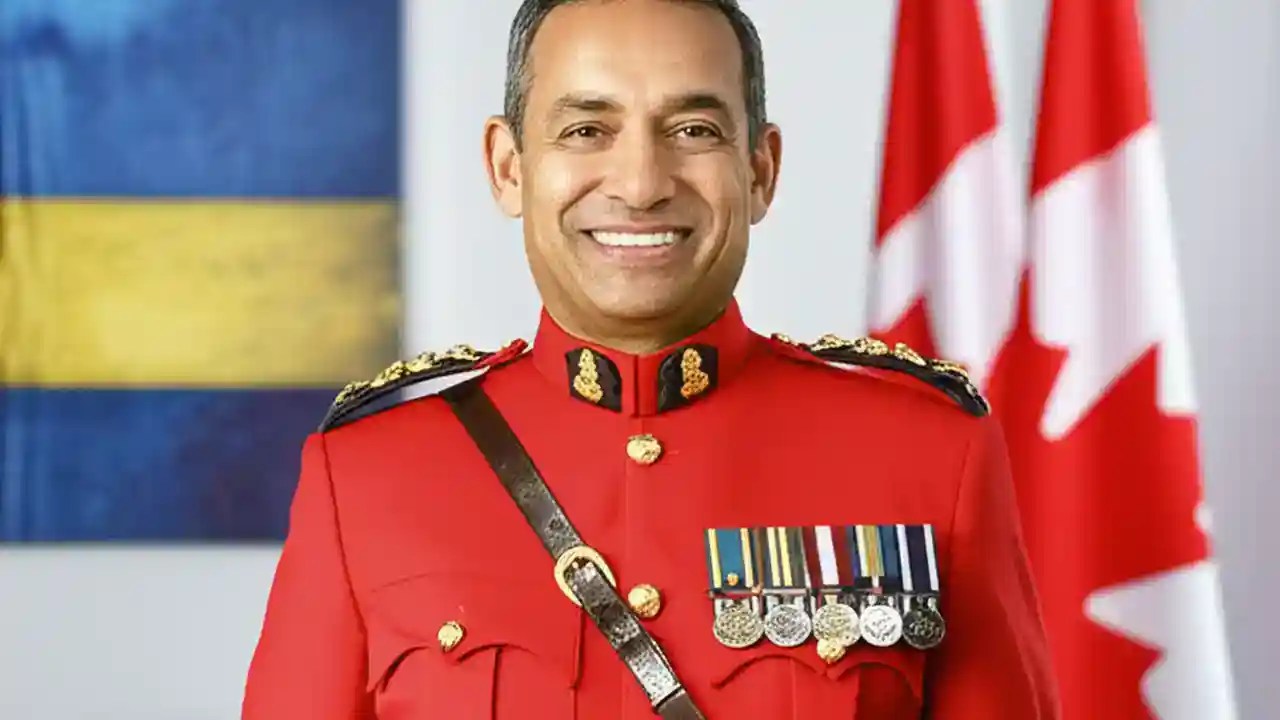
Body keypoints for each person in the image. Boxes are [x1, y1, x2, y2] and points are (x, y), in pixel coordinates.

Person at [241, 0, 1060, 717]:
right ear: (507, 166)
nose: (639, 183)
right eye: (587, 129)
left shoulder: (925, 456)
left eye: (693, 130)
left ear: (761, 169)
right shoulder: (367, 477)